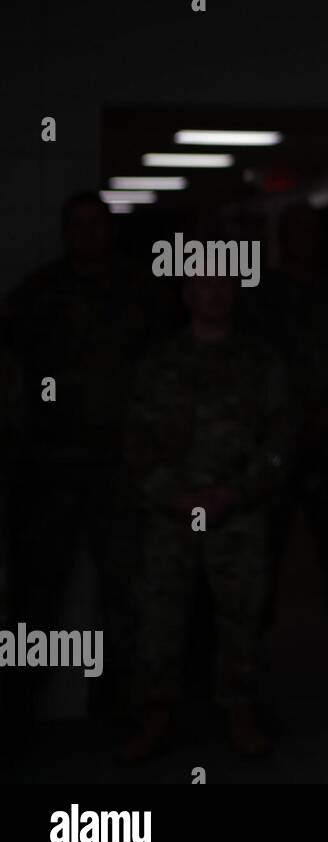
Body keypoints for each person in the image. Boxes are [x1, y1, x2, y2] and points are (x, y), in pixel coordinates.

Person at [0, 192, 167, 726]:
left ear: (110, 231)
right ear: (65, 231)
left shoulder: (140, 291)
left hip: (121, 467)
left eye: (98, 223)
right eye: (78, 224)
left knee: (127, 592)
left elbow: (168, 368)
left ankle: (123, 709)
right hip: (49, 469)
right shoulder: (38, 292)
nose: (88, 233)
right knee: (36, 594)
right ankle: (21, 709)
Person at [119, 273, 295, 760]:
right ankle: (154, 714)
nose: (215, 295)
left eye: (224, 286)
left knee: (242, 614)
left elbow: (281, 437)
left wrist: (237, 492)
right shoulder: (157, 363)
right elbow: (135, 441)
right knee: (159, 614)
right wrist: (173, 496)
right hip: (170, 513)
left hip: (237, 511)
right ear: (186, 296)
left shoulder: (262, 361)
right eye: (203, 286)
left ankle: (239, 709)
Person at [238, 204, 328, 697]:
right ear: (280, 238)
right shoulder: (259, 298)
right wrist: (275, 426)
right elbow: (243, 370)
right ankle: (245, 673)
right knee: (258, 564)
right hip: (273, 452)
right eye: (293, 231)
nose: (302, 240)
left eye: (309, 232)